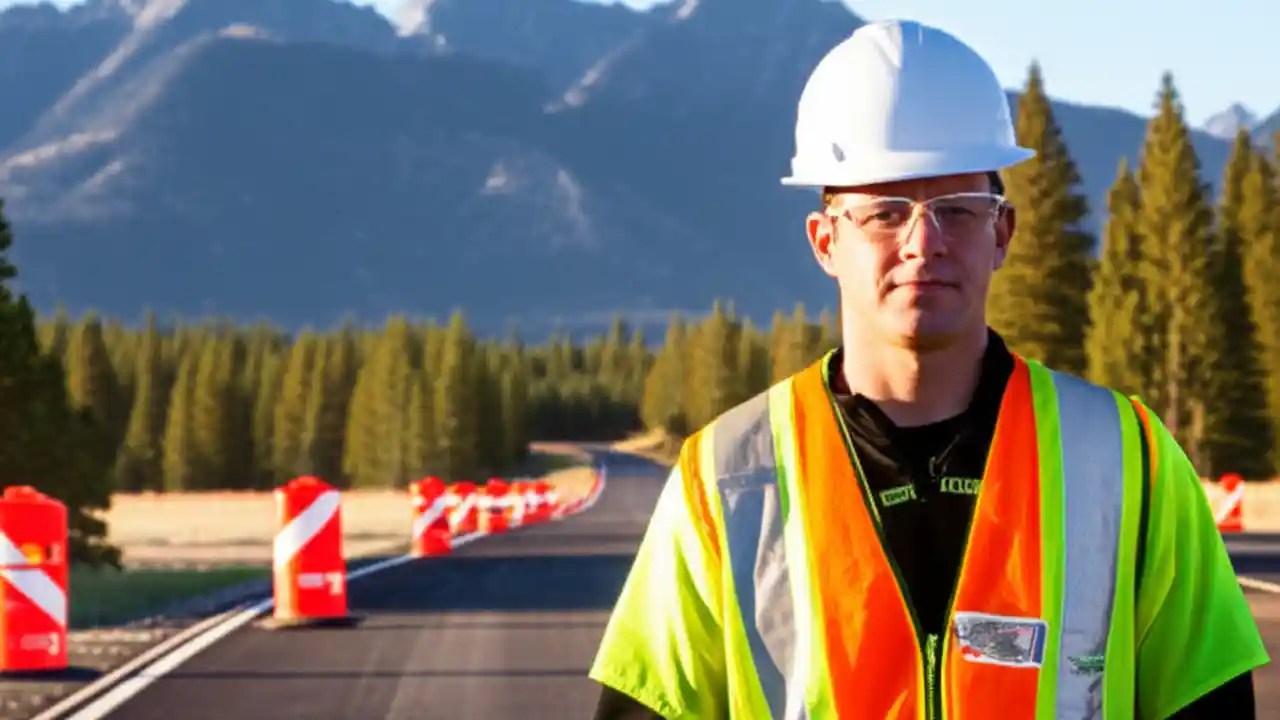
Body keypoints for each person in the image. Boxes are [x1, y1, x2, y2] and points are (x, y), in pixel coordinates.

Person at [587, 18, 1270, 720]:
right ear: (826, 241)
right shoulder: (727, 479)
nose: (923, 243)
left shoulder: (1129, 462)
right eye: (884, 212)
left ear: (1001, 233)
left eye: (958, 210)